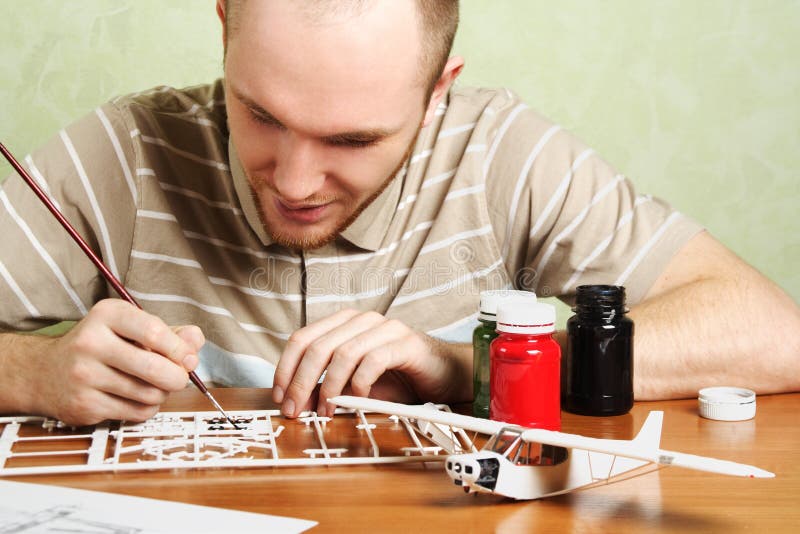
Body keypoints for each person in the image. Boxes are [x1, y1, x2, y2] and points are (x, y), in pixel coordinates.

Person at [0, 0, 798, 426]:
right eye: (262, 114)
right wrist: (32, 372)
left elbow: (771, 333)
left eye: (352, 138)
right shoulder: (127, 148)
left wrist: (464, 370)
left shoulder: (499, 151)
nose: (298, 182)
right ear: (223, 24)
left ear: (438, 91)